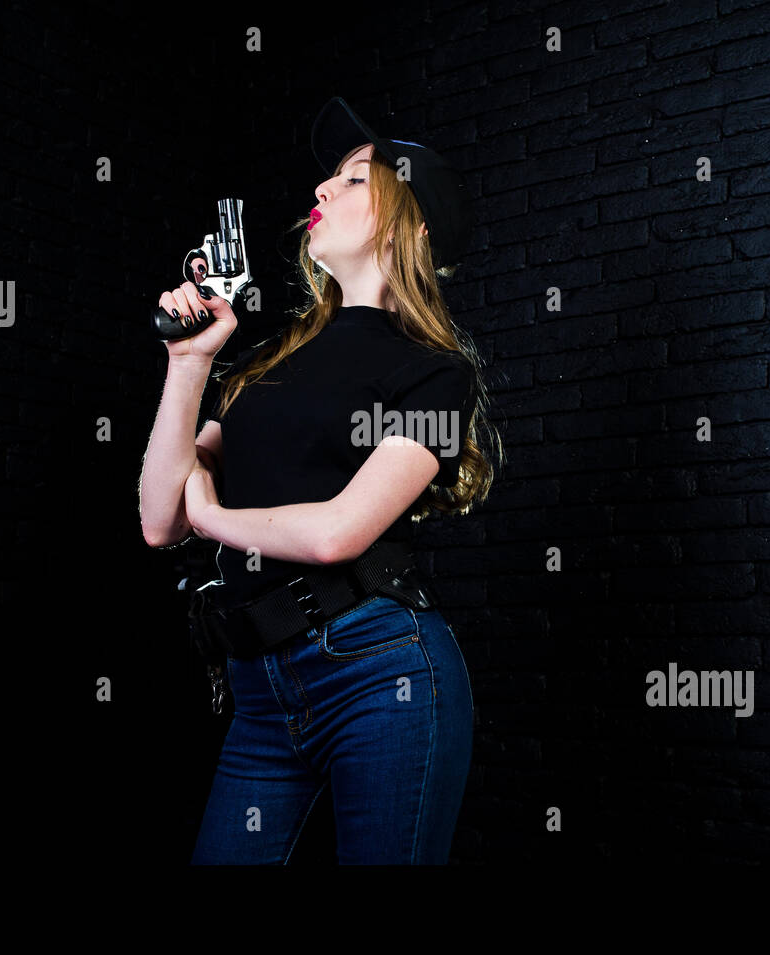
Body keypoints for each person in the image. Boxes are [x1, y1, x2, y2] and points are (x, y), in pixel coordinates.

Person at [138, 97, 502, 864]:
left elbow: (340, 531)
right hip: (260, 689)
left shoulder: (436, 376)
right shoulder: (271, 361)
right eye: (327, 181)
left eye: (354, 180)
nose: (324, 191)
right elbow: (158, 518)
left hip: (381, 675)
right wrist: (190, 362)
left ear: (410, 226)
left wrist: (209, 512)